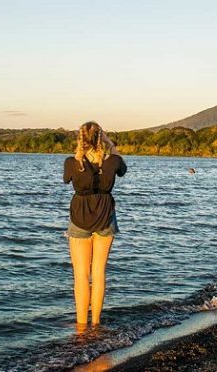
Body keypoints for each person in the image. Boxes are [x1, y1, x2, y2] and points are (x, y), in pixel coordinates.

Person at [62, 121, 127, 329]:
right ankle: (96, 323)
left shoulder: (72, 163)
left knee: (81, 275)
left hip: (80, 217)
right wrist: (110, 144)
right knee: (98, 272)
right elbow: (122, 167)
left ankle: (81, 327)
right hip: (105, 216)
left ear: (80, 140)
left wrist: (79, 153)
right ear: (102, 138)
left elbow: (66, 179)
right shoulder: (112, 161)